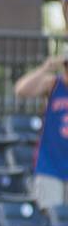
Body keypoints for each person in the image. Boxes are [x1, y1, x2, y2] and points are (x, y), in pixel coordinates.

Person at [14, 54, 68, 209]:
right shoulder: (53, 84)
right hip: (50, 167)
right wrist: (46, 68)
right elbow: (21, 90)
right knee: (50, 218)